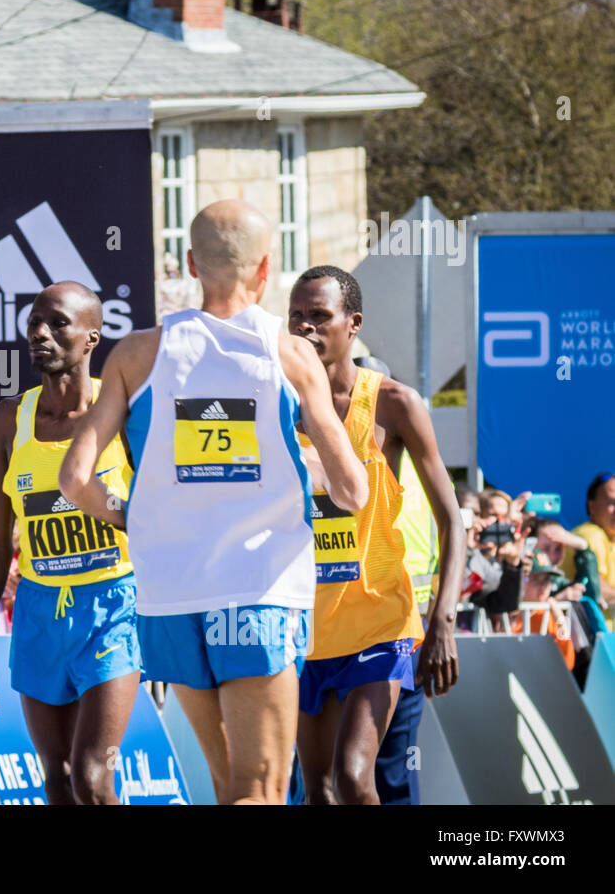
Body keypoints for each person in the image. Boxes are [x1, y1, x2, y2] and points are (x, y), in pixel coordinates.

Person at [60, 199, 369, 805]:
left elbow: (74, 480)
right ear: (266, 268)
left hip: (169, 596)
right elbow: (353, 490)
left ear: (190, 263)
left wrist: (127, 514)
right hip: (259, 592)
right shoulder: (289, 354)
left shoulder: (136, 353)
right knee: (262, 792)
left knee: (227, 791)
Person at [287, 266, 463, 805]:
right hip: (303, 627)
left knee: (354, 775)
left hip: (379, 624)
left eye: (320, 316)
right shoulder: (274, 407)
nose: (306, 328)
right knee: (314, 790)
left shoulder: (393, 403)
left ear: (353, 324)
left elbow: (452, 519)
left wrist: (443, 620)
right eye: (296, 317)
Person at [0, 282, 140, 805]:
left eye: (58, 323)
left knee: (93, 776)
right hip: (40, 611)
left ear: (93, 336)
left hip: (114, 606)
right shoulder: (8, 421)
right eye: (34, 322)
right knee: (59, 782)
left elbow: (156, 517)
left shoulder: (126, 415)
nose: (39, 332)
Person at [561, 473, 615, 609]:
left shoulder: (610, 539)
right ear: (591, 507)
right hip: (584, 629)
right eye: (612, 502)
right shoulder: (591, 534)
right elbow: (597, 588)